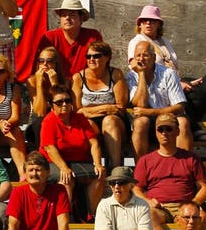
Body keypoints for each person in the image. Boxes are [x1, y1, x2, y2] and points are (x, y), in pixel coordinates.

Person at [128, 5, 206, 144]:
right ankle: (194, 128)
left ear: (159, 24)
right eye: (144, 21)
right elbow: (135, 65)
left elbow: (172, 66)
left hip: (171, 78)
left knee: (201, 95)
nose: (148, 23)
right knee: (184, 104)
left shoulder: (164, 42)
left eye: (152, 21)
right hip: (153, 82)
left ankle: (191, 129)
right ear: (140, 24)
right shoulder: (137, 42)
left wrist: (182, 82)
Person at [132, 113, 206, 230]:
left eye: (168, 129)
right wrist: (148, 201)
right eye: (160, 129)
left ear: (177, 131)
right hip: (159, 207)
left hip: (185, 205)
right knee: (148, 215)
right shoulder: (145, 160)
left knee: (200, 216)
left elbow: (204, 187)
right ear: (156, 133)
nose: (164, 133)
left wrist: (193, 203)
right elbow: (136, 189)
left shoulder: (191, 158)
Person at [39, 86, 106, 219]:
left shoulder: (80, 118)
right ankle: (65, 217)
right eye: (59, 102)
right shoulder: (49, 121)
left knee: (100, 175)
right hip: (54, 162)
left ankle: (91, 215)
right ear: (51, 105)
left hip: (79, 161)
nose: (64, 104)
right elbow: (50, 148)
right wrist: (64, 168)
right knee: (65, 179)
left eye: (67, 100)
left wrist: (98, 163)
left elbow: (94, 143)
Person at [126, 40, 192, 157]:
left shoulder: (168, 74)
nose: (141, 59)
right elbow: (140, 104)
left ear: (153, 57)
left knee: (182, 122)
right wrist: (141, 74)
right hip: (148, 122)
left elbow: (179, 107)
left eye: (145, 55)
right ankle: (141, 169)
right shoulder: (131, 76)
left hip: (168, 117)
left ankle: (184, 168)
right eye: (138, 56)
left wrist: (151, 112)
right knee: (141, 122)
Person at [70, 41, 129, 169]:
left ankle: (115, 168)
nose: (91, 59)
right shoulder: (79, 78)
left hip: (115, 122)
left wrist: (90, 110)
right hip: (90, 122)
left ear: (107, 57)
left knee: (109, 121)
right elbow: (77, 111)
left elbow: (120, 107)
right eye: (88, 56)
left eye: (96, 56)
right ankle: (90, 169)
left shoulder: (115, 74)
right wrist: (106, 108)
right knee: (87, 124)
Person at [34, 0, 103, 80]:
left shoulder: (93, 36)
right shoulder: (49, 37)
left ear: (81, 19)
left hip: (85, 83)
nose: (67, 18)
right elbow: (39, 66)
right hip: (55, 84)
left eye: (72, 15)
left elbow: (100, 65)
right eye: (63, 15)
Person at [26, 46, 68, 150]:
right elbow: (40, 111)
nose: (44, 64)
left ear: (55, 64)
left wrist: (54, 84)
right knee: (41, 122)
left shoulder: (66, 81)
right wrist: (39, 84)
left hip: (60, 120)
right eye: (41, 61)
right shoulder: (32, 81)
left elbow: (61, 109)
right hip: (37, 124)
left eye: (49, 61)